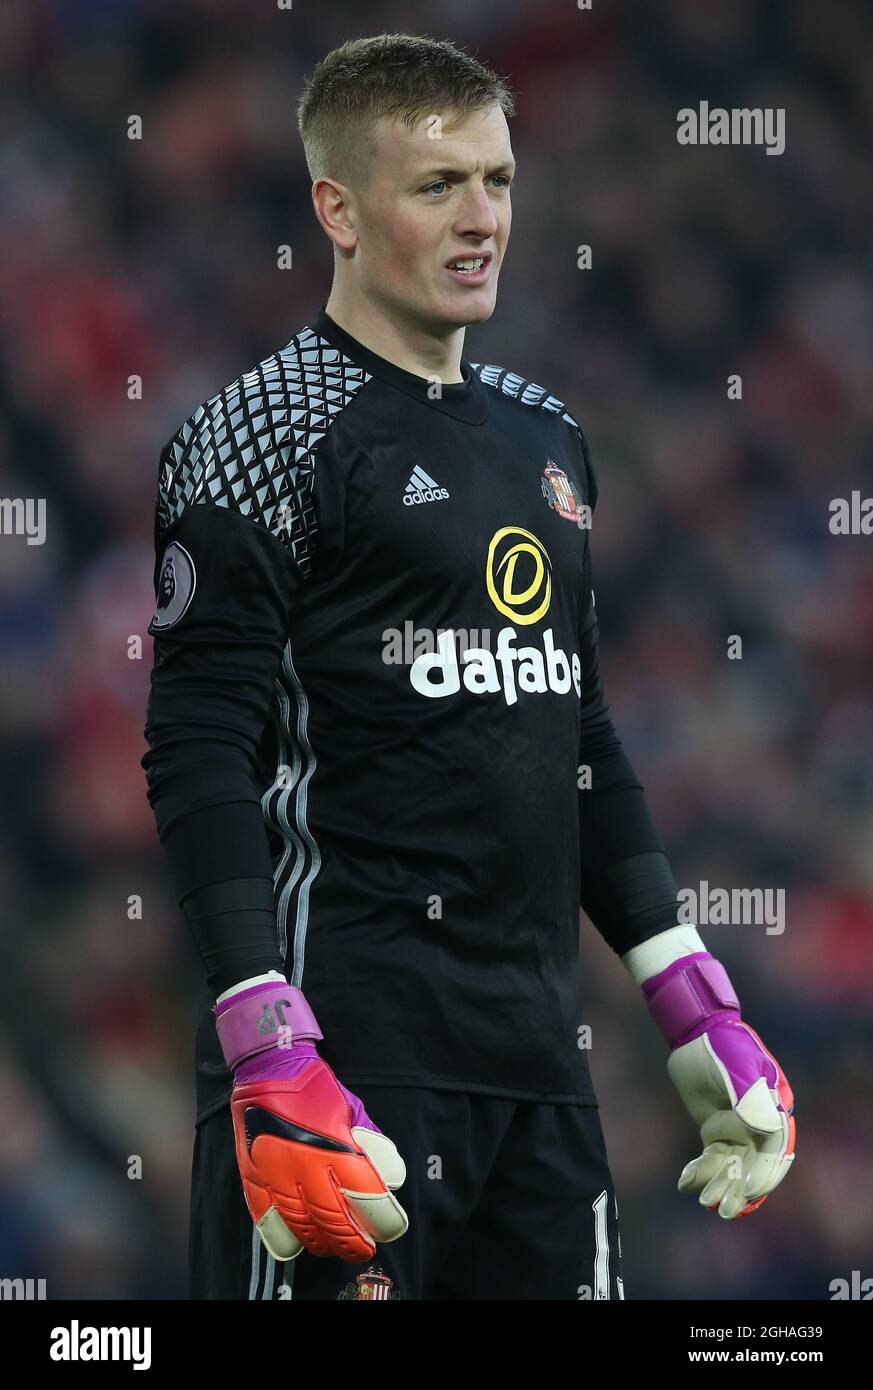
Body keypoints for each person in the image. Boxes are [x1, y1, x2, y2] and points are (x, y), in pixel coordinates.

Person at [142, 32, 795, 1301]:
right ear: (337, 206)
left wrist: (686, 991)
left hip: (542, 1068)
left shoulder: (547, 436)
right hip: (343, 1065)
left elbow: (580, 733)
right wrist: (261, 1039)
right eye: (436, 184)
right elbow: (197, 748)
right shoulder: (256, 435)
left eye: (497, 179)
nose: (482, 216)